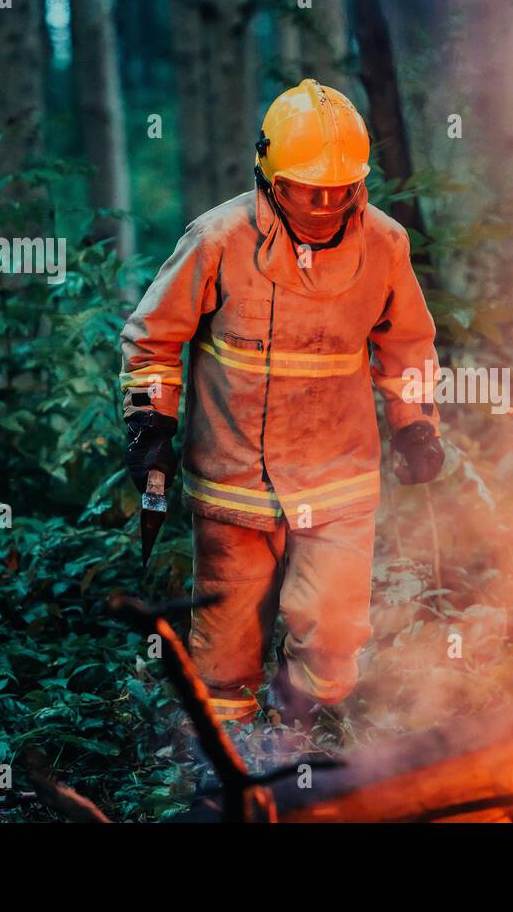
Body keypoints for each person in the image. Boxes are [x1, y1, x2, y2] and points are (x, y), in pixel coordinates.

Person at [120, 80, 444, 725]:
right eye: (307, 188)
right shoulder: (218, 239)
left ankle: (292, 742)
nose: (324, 204)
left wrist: (415, 426)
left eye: (338, 189)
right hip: (233, 479)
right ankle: (231, 779)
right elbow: (154, 338)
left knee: (332, 633)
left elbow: (408, 347)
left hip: (339, 478)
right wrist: (151, 425)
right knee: (223, 652)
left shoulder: (384, 244)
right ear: (271, 176)